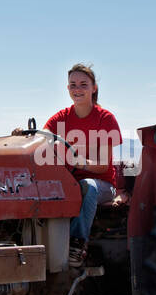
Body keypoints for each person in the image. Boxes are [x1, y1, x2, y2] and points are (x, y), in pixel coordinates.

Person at [44, 63, 126, 267]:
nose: (77, 89)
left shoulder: (105, 119)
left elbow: (103, 167)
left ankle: (76, 244)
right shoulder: (61, 117)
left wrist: (78, 161)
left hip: (102, 186)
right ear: (67, 89)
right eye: (73, 85)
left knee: (88, 186)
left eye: (83, 84)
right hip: (70, 183)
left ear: (94, 88)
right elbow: (44, 135)